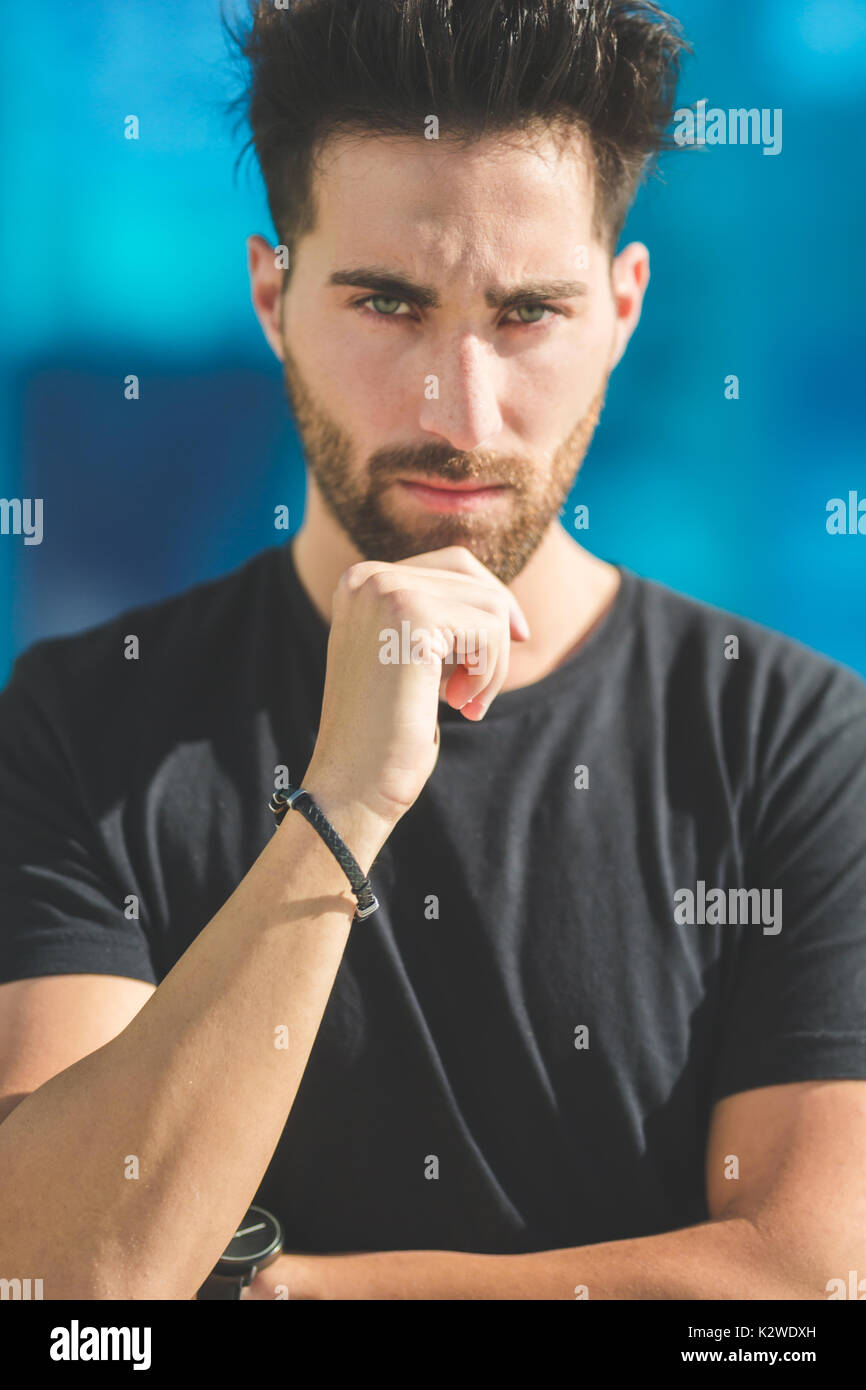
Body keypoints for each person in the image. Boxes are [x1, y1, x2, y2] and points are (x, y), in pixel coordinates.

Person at [0, 0, 864, 1301]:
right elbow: (60, 1288)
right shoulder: (80, 717)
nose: (457, 412)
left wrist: (281, 1290)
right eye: (389, 304)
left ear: (621, 309)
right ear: (271, 294)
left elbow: (801, 1290)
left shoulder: (795, 741)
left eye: (525, 314)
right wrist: (344, 797)